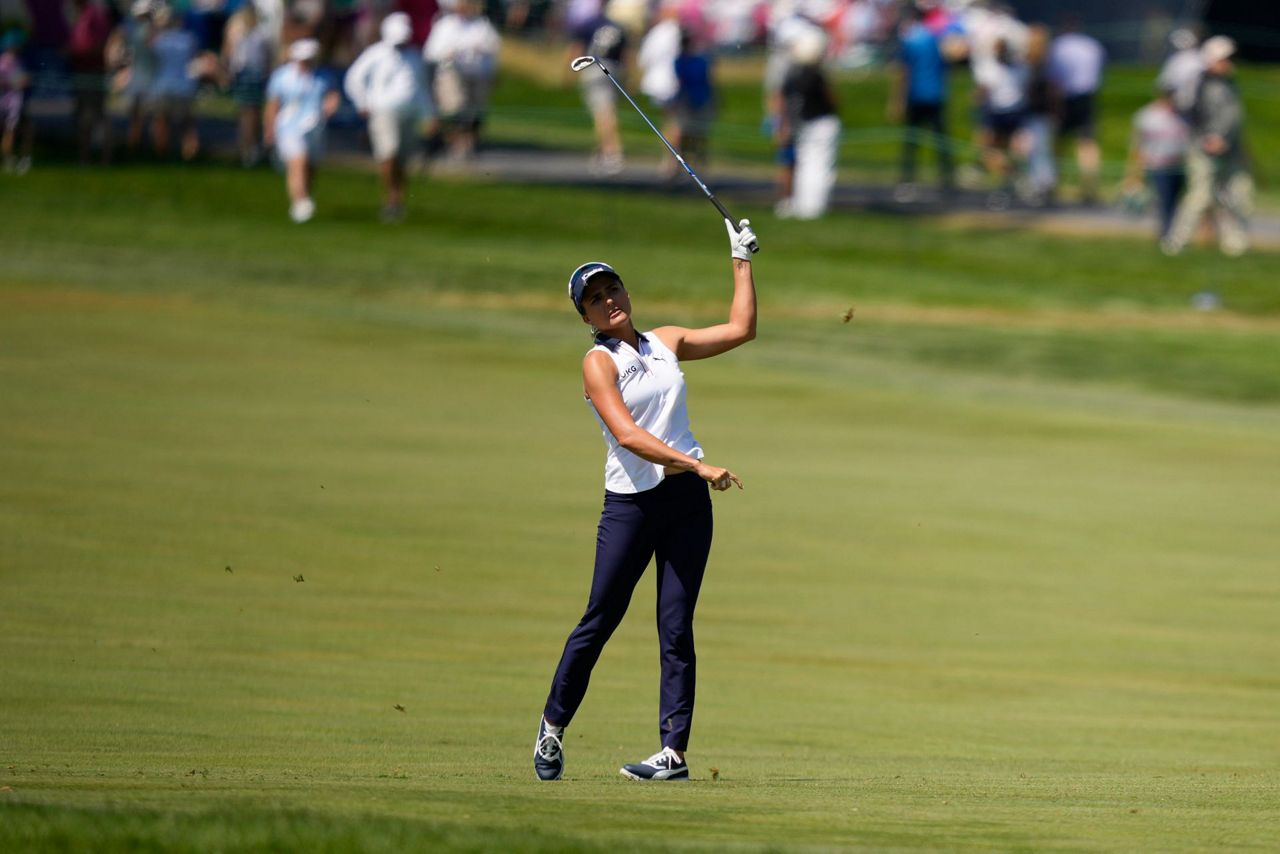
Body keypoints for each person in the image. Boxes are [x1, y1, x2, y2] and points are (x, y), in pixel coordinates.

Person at [535, 217, 760, 783]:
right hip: (631, 505)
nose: (607, 300)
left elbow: (741, 329)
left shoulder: (666, 342)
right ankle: (553, 728)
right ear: (584, 316)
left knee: (676, 626)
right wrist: (697, 464)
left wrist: (741, 259)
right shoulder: (597, 363)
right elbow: (630, 436)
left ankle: (673, 755)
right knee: (600, 618)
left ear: (626, 293)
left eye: (612, 289)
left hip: (686, 502)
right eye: (594, 298)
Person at [1162, 36, 1253, 258]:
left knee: (1237, 194)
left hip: (1231, 149)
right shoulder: (1200, 83)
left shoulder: (1229, 83)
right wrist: (1209, 138)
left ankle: (1235, 243)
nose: (1229, 64)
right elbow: (1188, 113)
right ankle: (1176, 242)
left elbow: (1232, 118)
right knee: (1200, 196)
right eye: (1224, 59)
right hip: (1204, 149)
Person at [346, 12, 431, 221]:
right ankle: (391, 199)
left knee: (402, 159)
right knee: (389, 153)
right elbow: (354, 78)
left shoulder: (414, 57)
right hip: (383, 111)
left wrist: (430, 114)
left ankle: (397, 201)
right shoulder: (376, 54)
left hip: (410, 114)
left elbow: (421, 88)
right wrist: (363, 102)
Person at [264, 38, 340, 223]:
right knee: (298, 161)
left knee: (310, 166)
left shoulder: (323, 76)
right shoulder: (282, 76)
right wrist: (269, 129)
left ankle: (304, 197)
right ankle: (300, 201)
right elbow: (273, 105)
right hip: (288, 126)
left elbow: (332, 96)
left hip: (315, 126)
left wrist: (329, 108)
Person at [422, 0, 500, 161]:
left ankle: (468, 143)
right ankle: (453, 140)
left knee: (474, 110)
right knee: (455, 107)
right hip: (452, 73)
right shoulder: (445, 26)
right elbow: (432, 52)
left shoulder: (482, 25)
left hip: (478, 74)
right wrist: (450, 53)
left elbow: (493, 47)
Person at [890, 3, 952, 198]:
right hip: (936, 94)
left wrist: (896, 101)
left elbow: (904, 72)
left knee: (911, 143)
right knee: (940, 140)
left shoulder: (910, 40)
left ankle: (908, 180)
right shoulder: (935, 38)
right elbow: (944, 66)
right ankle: (947, 179)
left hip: (916, 95)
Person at [777, 27, 839, 220]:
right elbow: (832, 101)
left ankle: (803, 205)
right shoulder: (814, 75)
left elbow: (783, 99)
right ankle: (814, 207)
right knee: (820, 167)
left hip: (803, 125)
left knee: (805, 166)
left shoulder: (792, 74)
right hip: (819, 124)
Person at [1122, 83, 1189, 243]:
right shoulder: (1147, 116)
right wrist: (1134, 172)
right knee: (1164, 202)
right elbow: (1137, 146)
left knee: (1178, 203)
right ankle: (1166, 235)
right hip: (1157, 166)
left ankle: (1173, 234)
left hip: (1180, 166)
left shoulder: (1183, 116)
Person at [1047, 17, 1104, 203]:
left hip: (1065, 98)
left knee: (1059, 142)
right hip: (1087, 96)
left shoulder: (1058, 46)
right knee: (1087, 143)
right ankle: (1089, 186)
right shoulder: (1092, 46)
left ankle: (1053, 183)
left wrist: (1055, 105)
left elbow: (1054, 78)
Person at [568, 8, 627, 176]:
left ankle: (612, 153)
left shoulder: (588, 24)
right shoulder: (619, 27)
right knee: (607, 112)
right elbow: (625, 56)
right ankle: (602, 153)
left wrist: (569, 74)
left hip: (593, 67)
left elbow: (577, 49)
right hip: (614, 69)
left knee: (603, 114)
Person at [972, 36, 1026, 206]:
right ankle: (1011, 175)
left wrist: (976, 99)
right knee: (999, 148)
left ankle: (1011, 174)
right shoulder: (1016, 68)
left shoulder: (995, 69)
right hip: (1009, 111)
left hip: (999, 112)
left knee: (990, 148)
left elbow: (984, 91)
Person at [222, 2, 275, 167]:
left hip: (251, 75)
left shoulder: (258, 34)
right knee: (248, 113)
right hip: (246, 74)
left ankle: (250, 148)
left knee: (250, 113)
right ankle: (248, 148)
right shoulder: (245, 33)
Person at [149, 4, 200, 161]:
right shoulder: (188, 40)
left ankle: (161, 154)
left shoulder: (159, 41)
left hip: (163, 87)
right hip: (185, 88)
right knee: (187, 125)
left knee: (161, 122)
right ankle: (190, 155)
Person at [68, 0, 113, 165]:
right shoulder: (78, 14)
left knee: (95, 116)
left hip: (92, 71)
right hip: (80, 70)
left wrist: (77, 52)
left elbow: (103, 45)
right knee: (83, 116)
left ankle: (103, 158)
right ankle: (84, 157)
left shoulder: (95, 15)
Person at [671, 28, 714, 176]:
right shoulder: (683, 60)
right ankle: (682, 163)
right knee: (685, 133)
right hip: (688, 100)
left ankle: (697, 162)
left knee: (696, 133)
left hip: (698, 99)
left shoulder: (698, 60)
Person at [1, 28, 32, 174]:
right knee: (10, 131)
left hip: (15, 102)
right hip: (9, 103)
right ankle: (8, 158)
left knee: (15, 131)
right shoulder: (5, 61)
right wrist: (17, 82)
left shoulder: (17, 61)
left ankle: (14, 158)